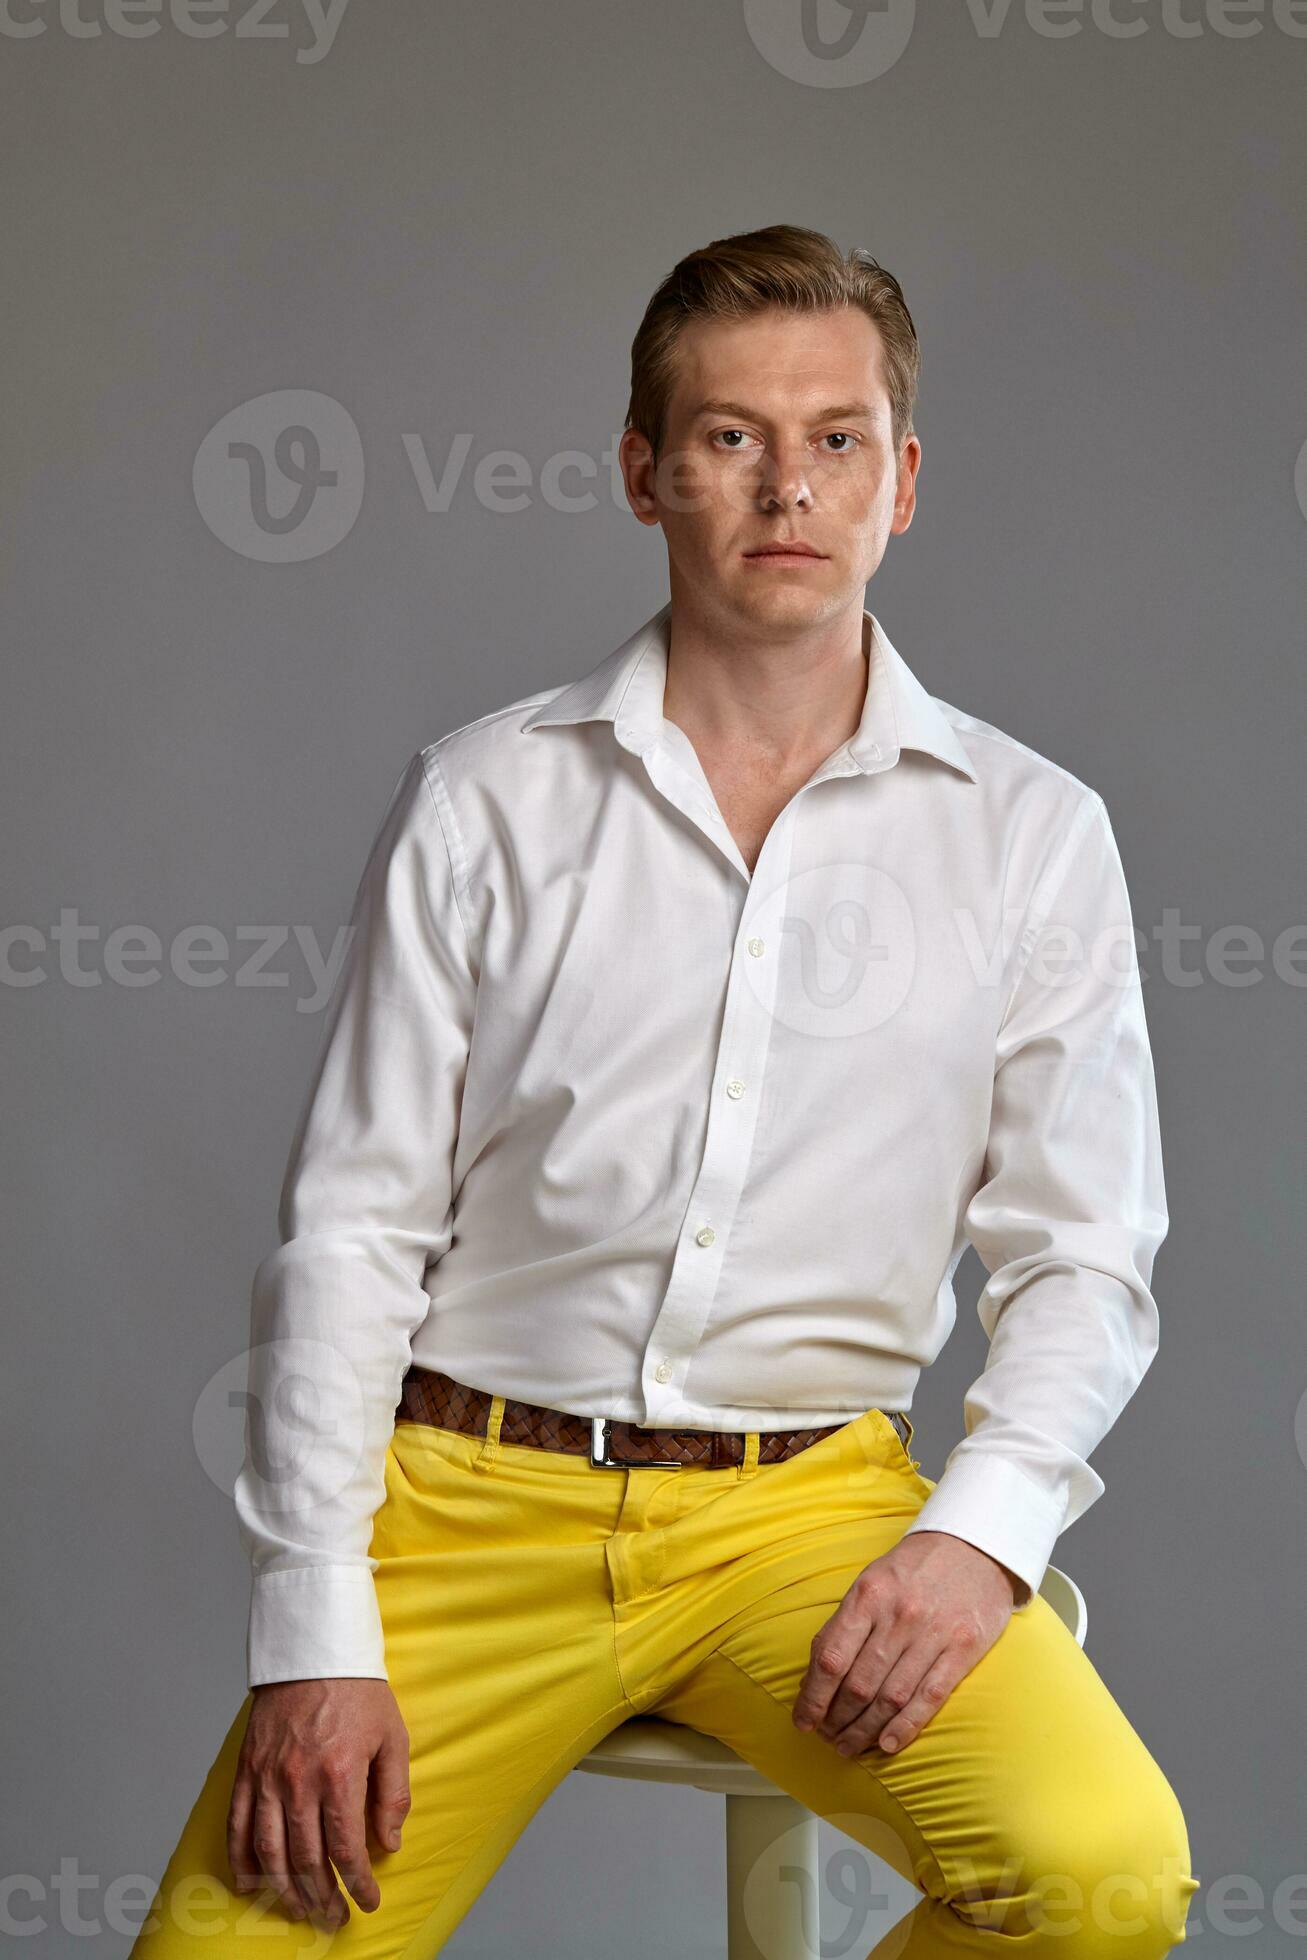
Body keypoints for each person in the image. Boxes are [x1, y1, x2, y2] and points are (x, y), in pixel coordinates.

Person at [130, 224, 1199, 1956]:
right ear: (645, 473)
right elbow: (353, 1233)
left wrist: (979, 1537)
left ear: (904, 480)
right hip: (466, 1500)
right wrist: (314, 1627)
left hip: (811, 1514)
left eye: (836, 438)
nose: (790, 486)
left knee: (1099, 1877)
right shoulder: (487, 802)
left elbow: (1083, 1261)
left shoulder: (1032, 833)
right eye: (729, 438)